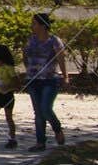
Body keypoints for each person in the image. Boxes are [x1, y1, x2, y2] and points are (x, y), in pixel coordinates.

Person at [22, 12, 69, 152]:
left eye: (34, 23)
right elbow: (25, 55)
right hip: (33, 80)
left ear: (43, 25)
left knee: (46, 108)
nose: (32, 26)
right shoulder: (31, 40)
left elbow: (61, 59)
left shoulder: (54, 41)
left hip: (50, 80)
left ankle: (57, 129)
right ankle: (40, 142)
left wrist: (65, 76)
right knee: (38, 112)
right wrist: (30, 70)